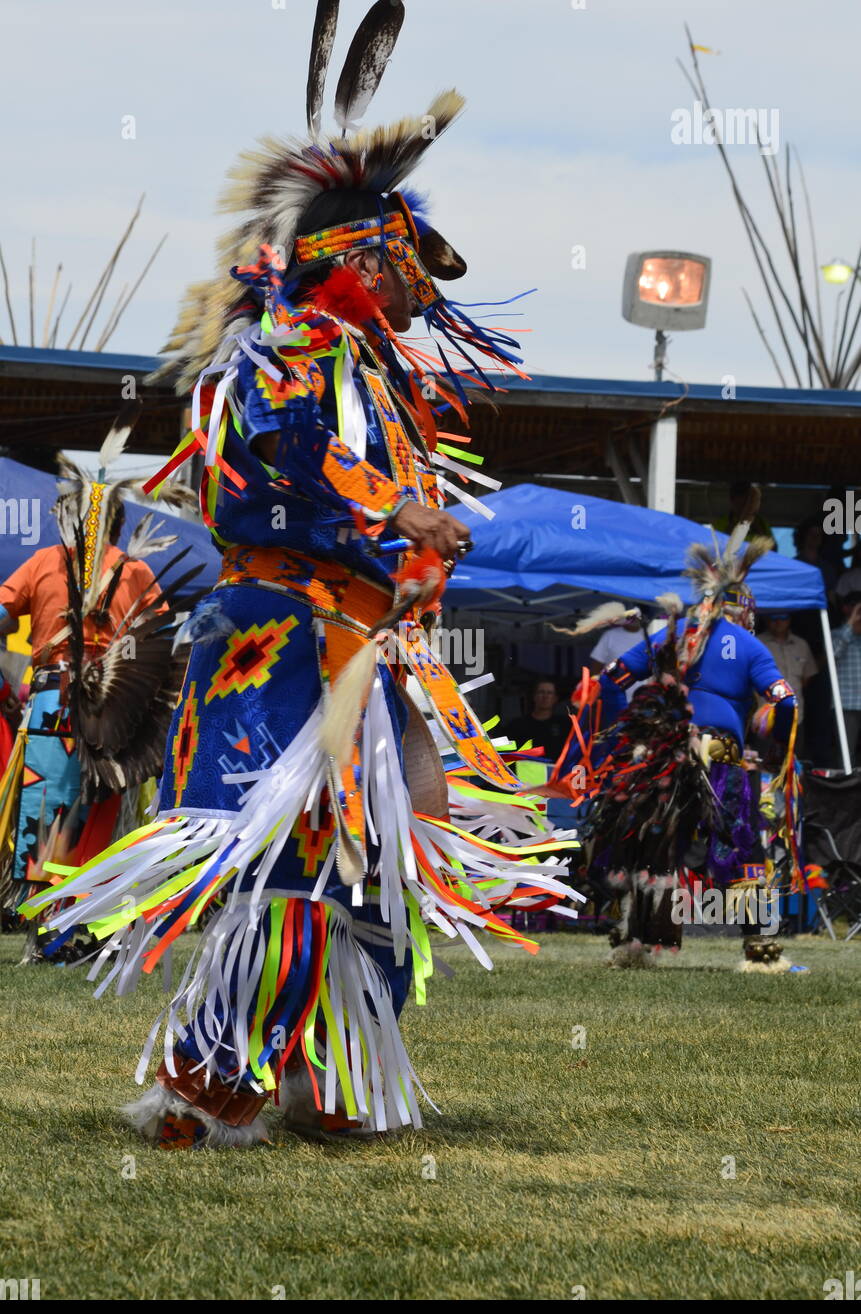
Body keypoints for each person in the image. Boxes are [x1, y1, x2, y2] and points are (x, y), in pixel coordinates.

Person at [24, 2, 576, 1149]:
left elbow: (362, 510)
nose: (431, 290)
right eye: (413, 264)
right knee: (287, 862)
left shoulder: (373, 379)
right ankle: (206, 1076)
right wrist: (395, 507)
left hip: (356, 658)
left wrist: (412, 555)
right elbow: (264, 479)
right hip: (280, 654)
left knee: (372, 869)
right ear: (360, 255)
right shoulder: (284, 360)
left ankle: (332, 1077)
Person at [552, 523, 802, 972]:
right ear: (744, 611)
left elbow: (610, 679)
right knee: (740, 844)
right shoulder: (749, 645)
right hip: (720, 760)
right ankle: (760, 952)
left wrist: (614, 740)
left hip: (659, 759)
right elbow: (787, 700)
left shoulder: (671, 633)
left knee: (651, 841)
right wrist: (777, 744)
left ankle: (636, 943)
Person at [0, 429, 192, 957]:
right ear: (116, 522)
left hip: (52, 705)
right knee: (97, 813)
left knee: (47, 810)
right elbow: (160, 640)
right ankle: (75, 926)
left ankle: (53, 929)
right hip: (113, 712)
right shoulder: (134, 570)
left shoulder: (42, 564)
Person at [758, 612, 817, 730]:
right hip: (766, 716)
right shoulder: (757, 643)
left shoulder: (801, 644)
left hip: (796, 715)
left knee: (795, 748)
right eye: (774, 617)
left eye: (783, 617)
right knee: (764, 748)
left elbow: (807, 677)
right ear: (767, 620)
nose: (778, 622)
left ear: (789, 619)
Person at [507, 677, 568, 763]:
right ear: (534, 696)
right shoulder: (517, 725)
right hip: (523, 774)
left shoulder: (564, 725)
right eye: (541, 692)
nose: (545, 696)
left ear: (555, 698)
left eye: (549, 693)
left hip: (554, 774)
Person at [830, 594, 861, 762]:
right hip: (846, 703)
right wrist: (851, 624)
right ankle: (847, 788)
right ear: (846, 609)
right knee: (845, 755)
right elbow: (833, 653)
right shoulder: (835, 634)